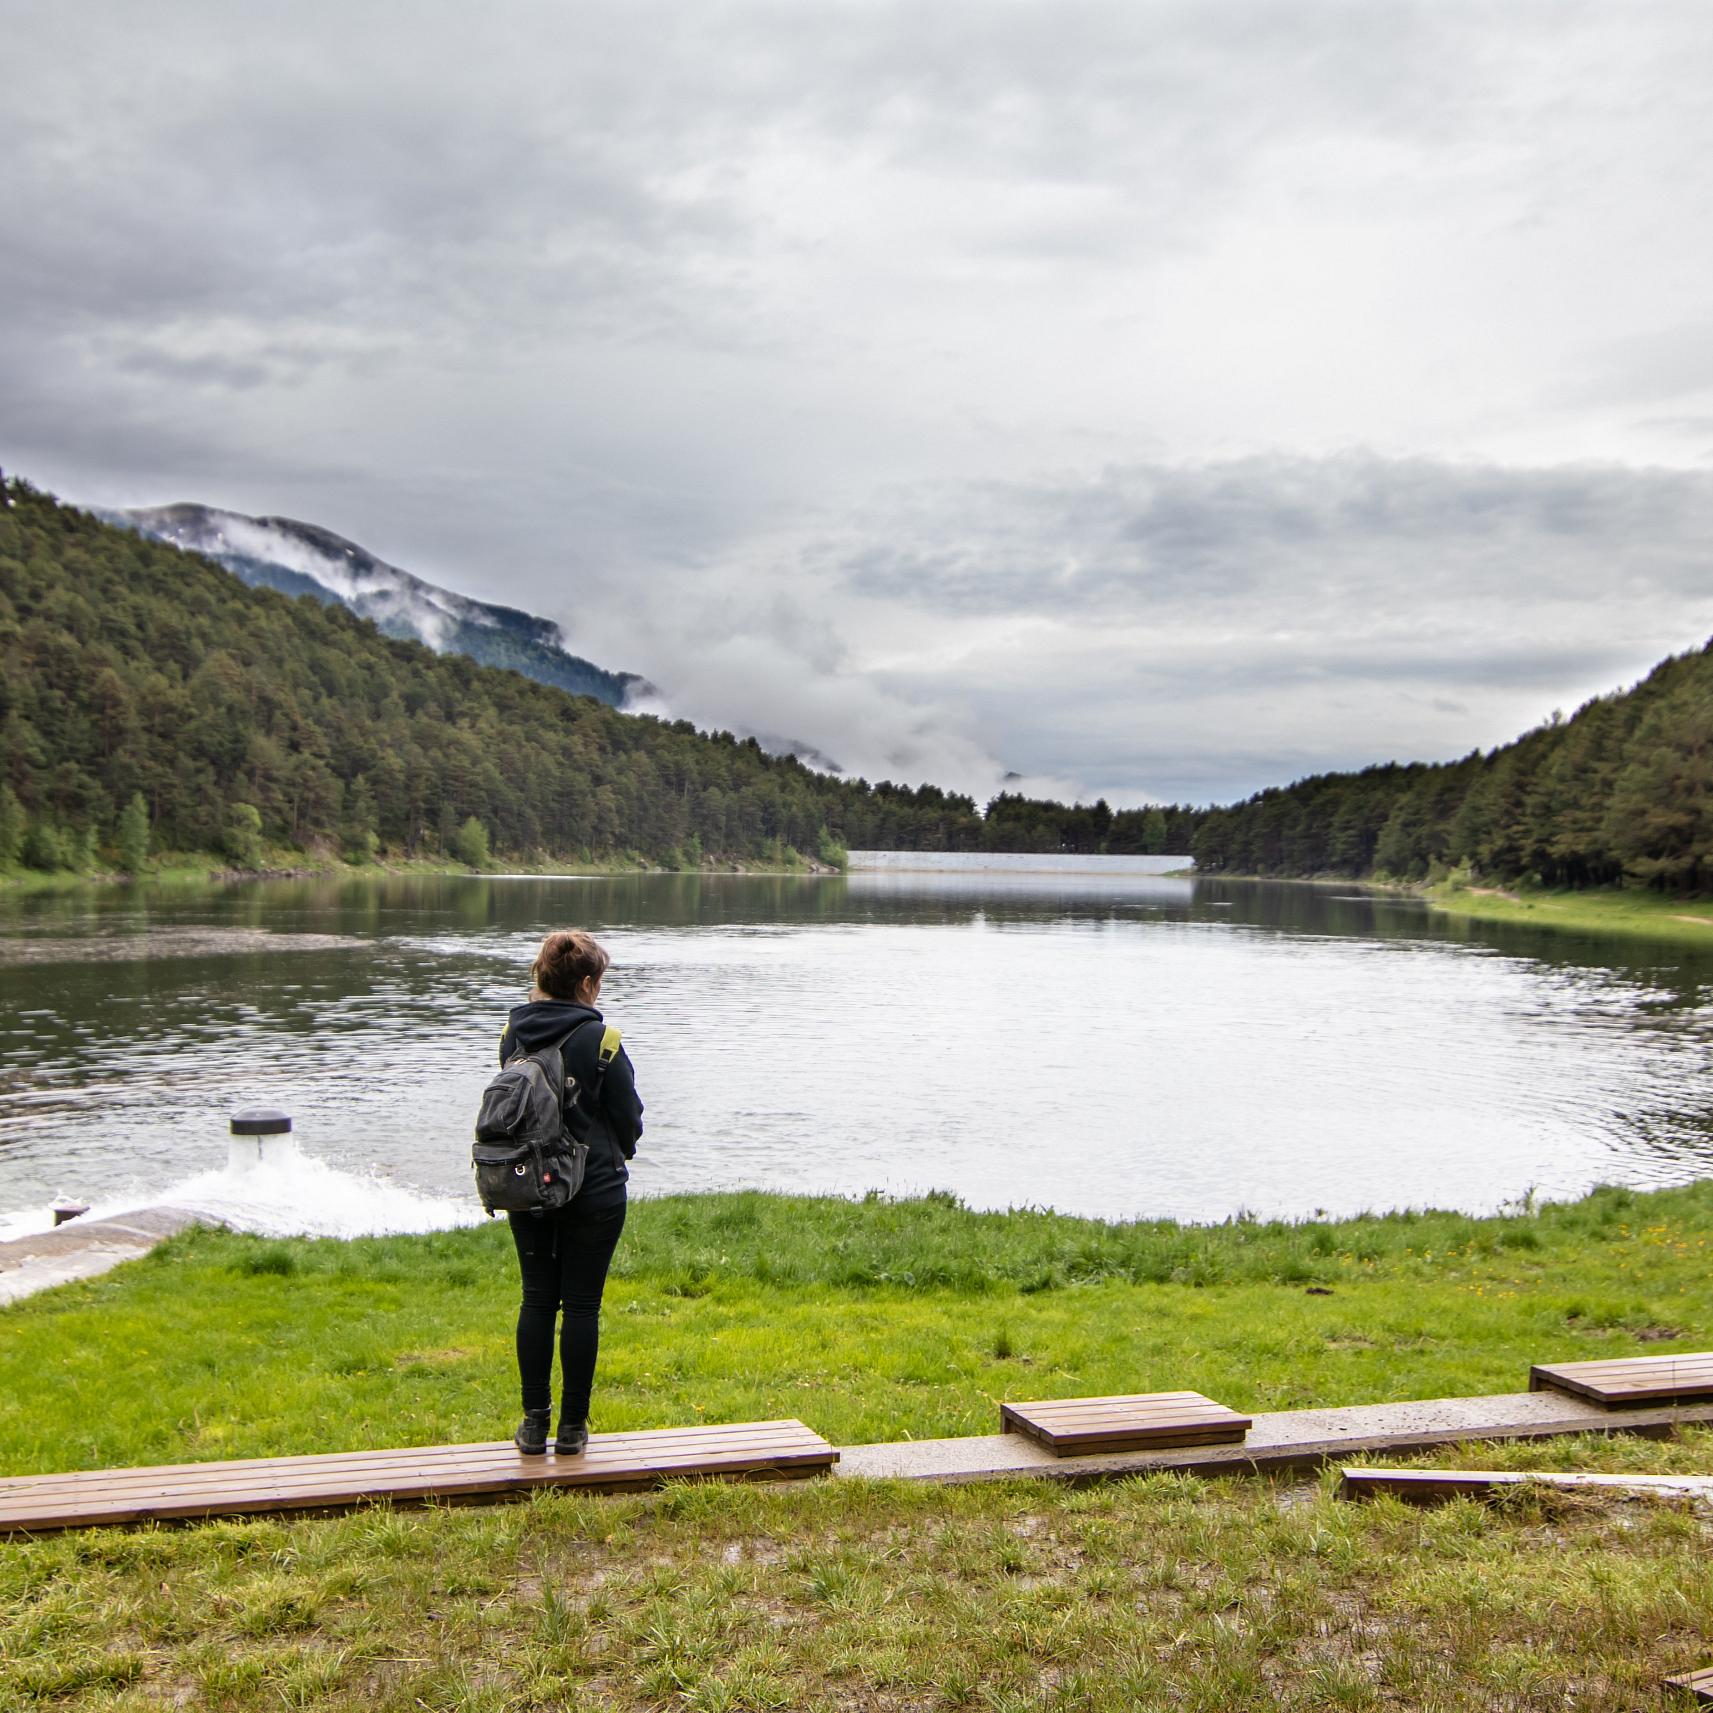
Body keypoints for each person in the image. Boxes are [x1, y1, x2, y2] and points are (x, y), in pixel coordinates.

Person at [498, 929, 643, 1456]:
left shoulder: (513, 1035)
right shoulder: (603, 1041)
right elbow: (630, 1121)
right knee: (582, 1306)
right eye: (598, 982)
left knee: (537, 1299)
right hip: (594, 1189)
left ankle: (534, 1423)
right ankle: (573, 1429)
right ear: (585, 984)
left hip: (526, 1185)